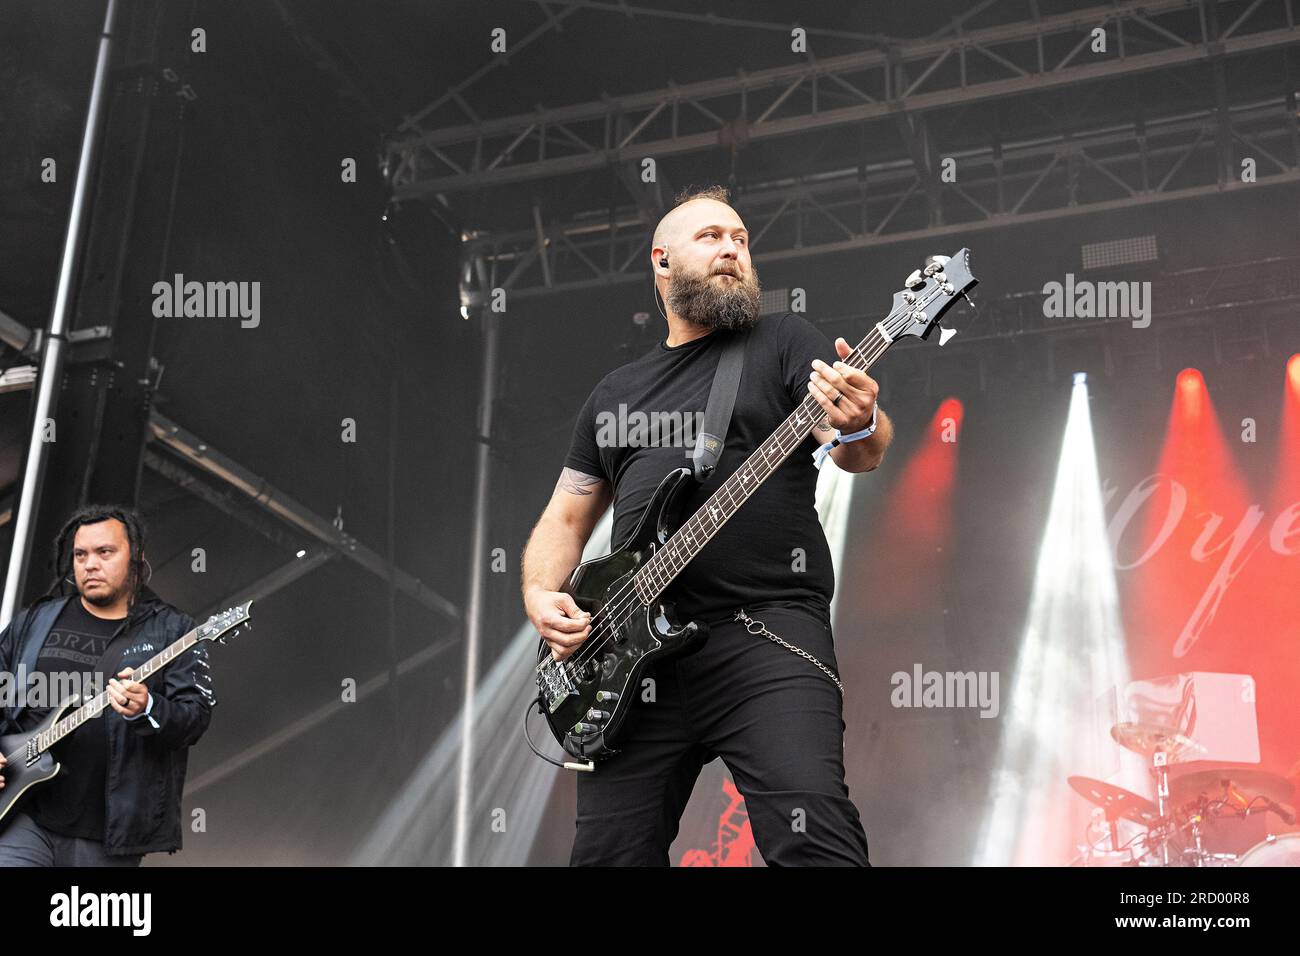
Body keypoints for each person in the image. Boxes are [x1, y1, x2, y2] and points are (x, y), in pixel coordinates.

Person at [521, 185, 893, 866]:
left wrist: (862, 420)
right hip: (627, 666)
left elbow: (861, 451)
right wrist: (541, 594)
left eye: (742, 239)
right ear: (661, 262)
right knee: (607, 857)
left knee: (815, 839)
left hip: (766, 632)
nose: (732, 248)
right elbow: (565, 516)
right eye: (712, 237)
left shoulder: (782, 341)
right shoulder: (615, 392)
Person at [0, 505, 216, 866]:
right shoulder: (37, 620)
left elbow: (195, 716)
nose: (90, 564)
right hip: (24, 816)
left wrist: (149, 708)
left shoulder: (172, 630)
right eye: (80, 554)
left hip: (109, 835)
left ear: (136, 559)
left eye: (105, 552)